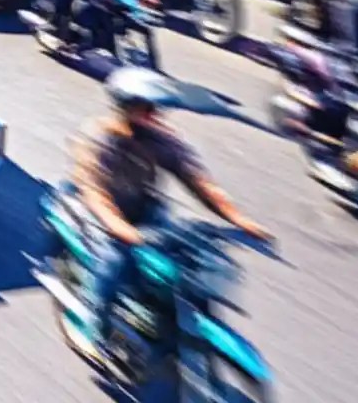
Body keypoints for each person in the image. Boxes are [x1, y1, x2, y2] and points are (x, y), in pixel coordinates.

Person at [71, 67, 271, 358]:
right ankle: (93, 321)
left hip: (147, 213)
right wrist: (120, 228)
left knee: (188, 257)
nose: (155, 115)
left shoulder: (162, 140)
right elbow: (93, 189)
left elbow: (199, 181)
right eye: (146, 108)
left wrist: (238, 219)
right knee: (114, 258)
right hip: (104, 219)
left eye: (156, 108)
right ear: (125, 107)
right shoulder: (99, 138)